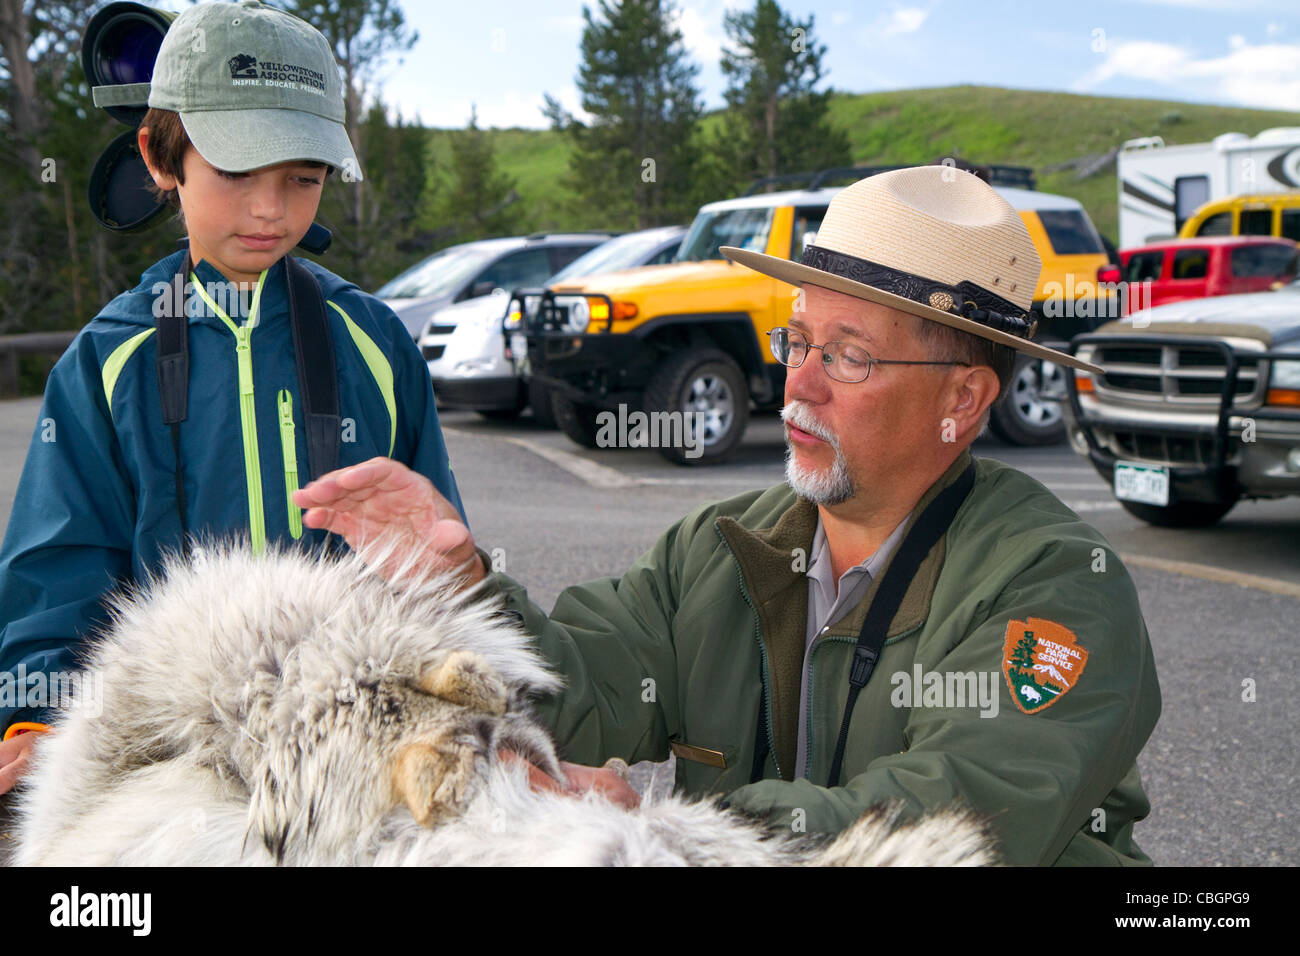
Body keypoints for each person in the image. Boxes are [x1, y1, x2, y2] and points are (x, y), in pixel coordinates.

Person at [291, 167, 1164, 865]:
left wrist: (663, 830)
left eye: (850, 357)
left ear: (963, 399)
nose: (800, 383)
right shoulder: (721, 548)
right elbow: (583, 690)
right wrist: (469, 590)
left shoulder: (1056, 586)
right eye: (797, 340)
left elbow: (961, 818)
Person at [0, 1, 464, 793]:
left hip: (351, 770)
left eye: (304, 177)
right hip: (169, 771)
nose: (270, 209)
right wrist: (40, 720)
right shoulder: (105, 365)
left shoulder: (378, 346)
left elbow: (438, 558)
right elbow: (59, 578)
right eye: (238, 171)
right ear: (158, 157)